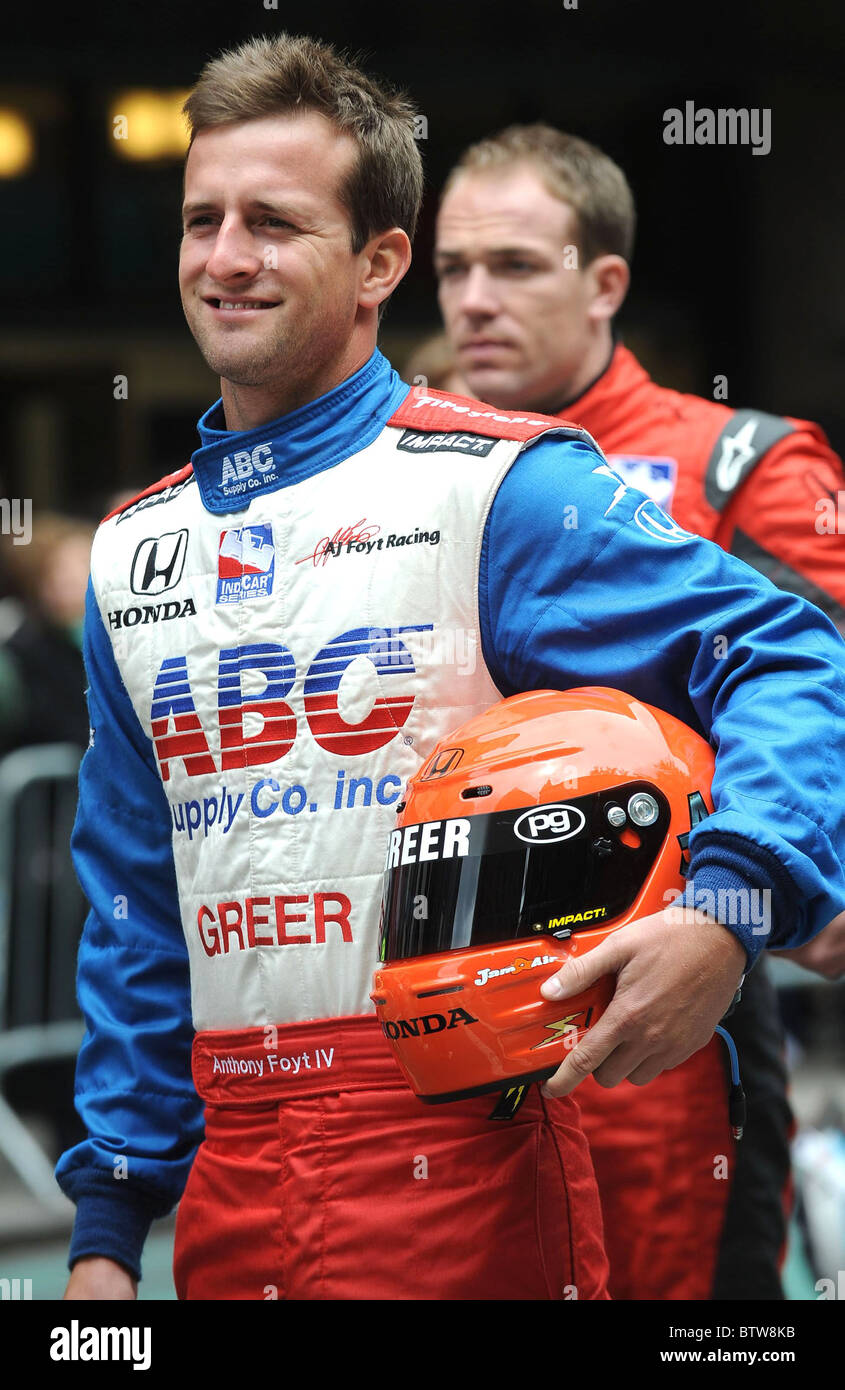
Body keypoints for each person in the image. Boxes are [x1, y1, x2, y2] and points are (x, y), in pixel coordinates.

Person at [56, 37, 845, 1302]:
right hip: (226, 1183)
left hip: (458, 1142)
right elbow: (137, 905)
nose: (225, 257)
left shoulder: (500, 486)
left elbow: (789, 648)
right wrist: (104, 1231)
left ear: (378, 262)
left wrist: (729, 907)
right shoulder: (132, 550)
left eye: (273, 222)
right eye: (202, 219)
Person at [433, 123, 845, 1299]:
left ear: (603, 281)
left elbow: (826, 685)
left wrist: (777, 881)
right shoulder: (408, 476)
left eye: (512, 265)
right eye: (453, 269)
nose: (472, 300)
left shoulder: (738, 462)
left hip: (670, 1013)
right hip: (439, 1026)